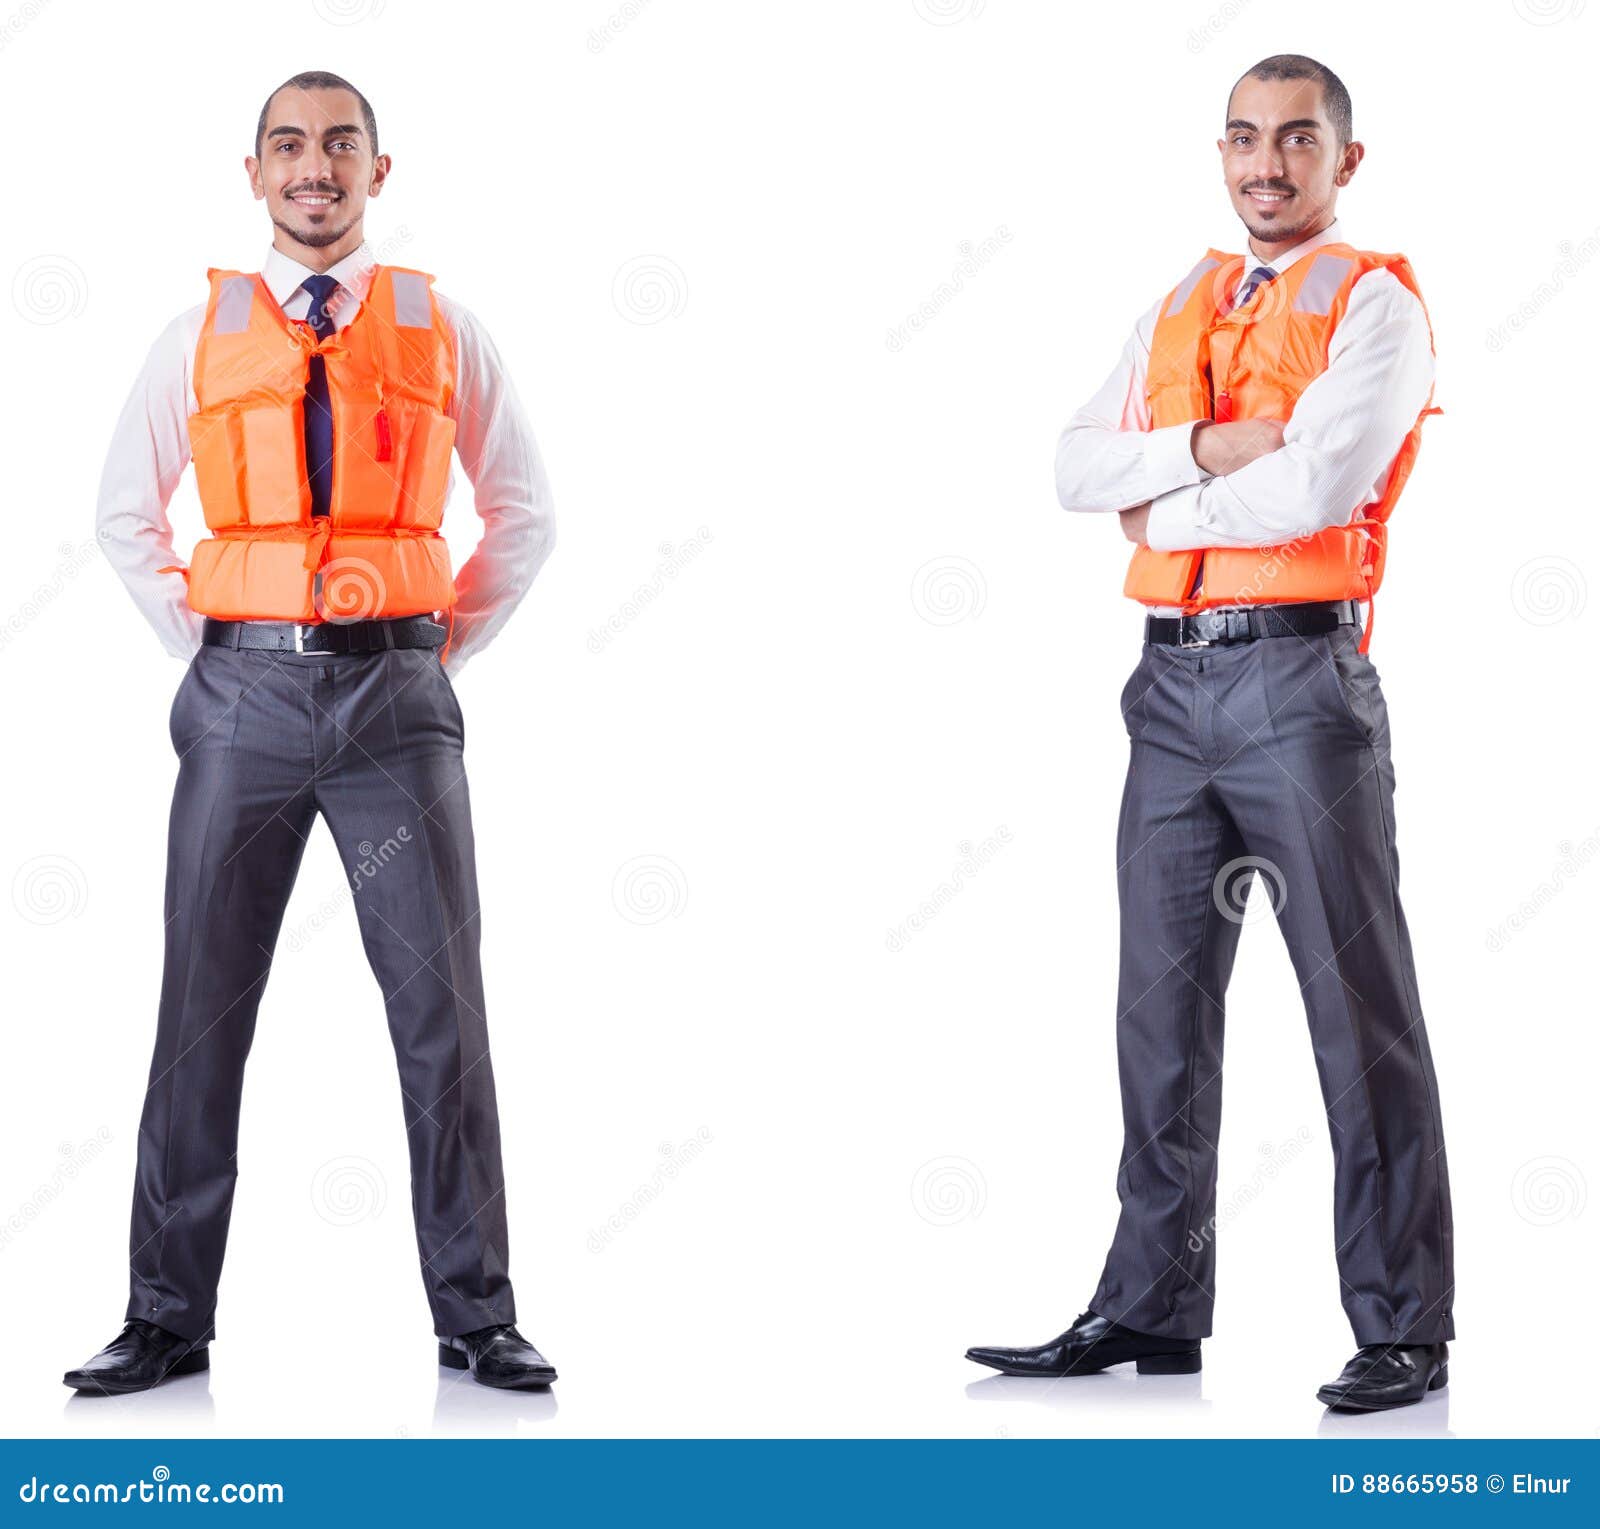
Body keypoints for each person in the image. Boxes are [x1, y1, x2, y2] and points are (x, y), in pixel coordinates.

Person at [965, 54, 1455, 1412]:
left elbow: (1322, 483)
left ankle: (1407, 1324)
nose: (1266, 164)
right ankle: (1150, 1305)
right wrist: (1216, 450)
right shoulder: (1180, 300)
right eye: (1244, 139)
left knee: (1355, 1010)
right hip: (1167, 692)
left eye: (1298, 141)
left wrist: (1159, 498)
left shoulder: (1376, 305)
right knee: (1159, 1009)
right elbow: (1073, 464)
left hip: (1302, 693)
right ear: (1221, 153)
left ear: (1344, 160)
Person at [69, 71, 558, 1394]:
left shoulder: (444, 327)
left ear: (378, 172)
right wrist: (226, 648)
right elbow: (125, 516)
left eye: (341, 145)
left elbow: (525, 515)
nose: (315, 167)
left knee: (439, 1015)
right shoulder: (195, 335)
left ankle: (477, 1313)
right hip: (241, 703)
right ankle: (165, 1316)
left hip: (399, 706)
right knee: (198, 1013)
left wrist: (428, 646)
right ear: (255, 172)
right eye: (290, 145)